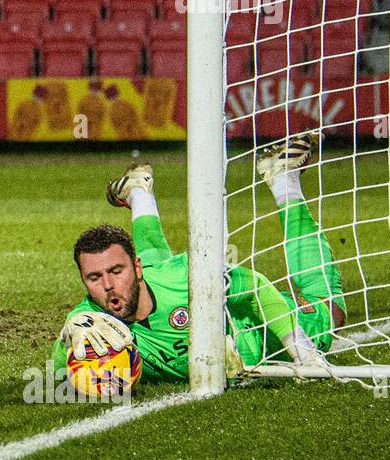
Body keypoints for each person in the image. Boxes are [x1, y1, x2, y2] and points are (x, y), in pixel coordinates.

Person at [56, 135, 343, 386]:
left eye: (116, 271)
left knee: (331, 315)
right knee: (150, 276)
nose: (106, 285)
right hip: (158, 280)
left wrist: (302, 351)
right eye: (94, 278)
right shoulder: (90, 320)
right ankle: (138, 192)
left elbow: (254, 286)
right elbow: (61, 366)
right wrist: (67, 341)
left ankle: (284, 180)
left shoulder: (188, 275)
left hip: (259, 335)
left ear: (136, 267)